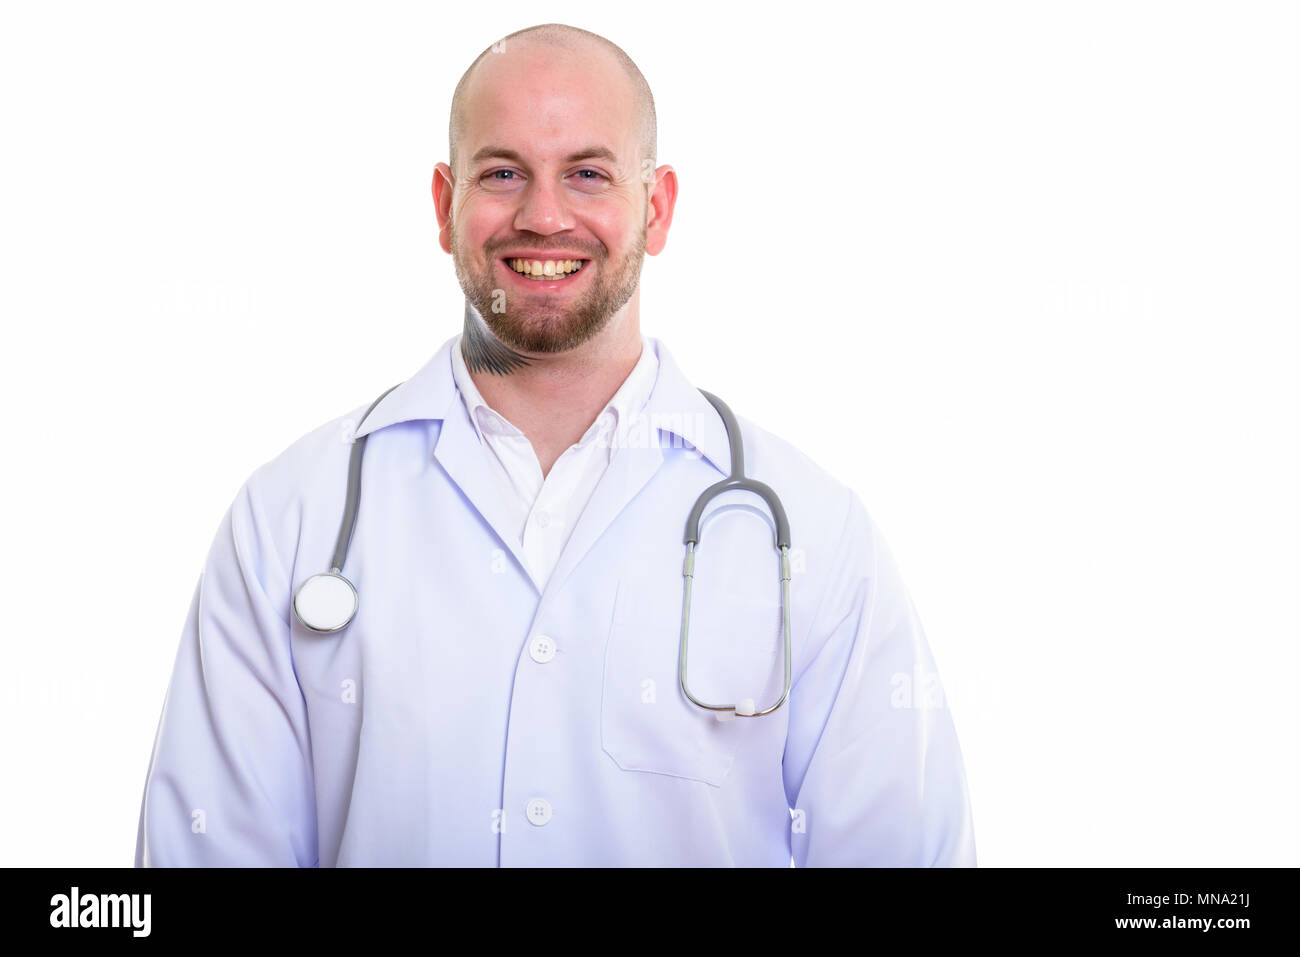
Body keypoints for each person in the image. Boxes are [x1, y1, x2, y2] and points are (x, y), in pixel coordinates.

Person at [133, 22, 976, 867]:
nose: (543, 216)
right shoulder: (289, 518)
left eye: (587, 174)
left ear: (657, 206)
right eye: (502, 173)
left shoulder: (817, 536)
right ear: (444, 205)